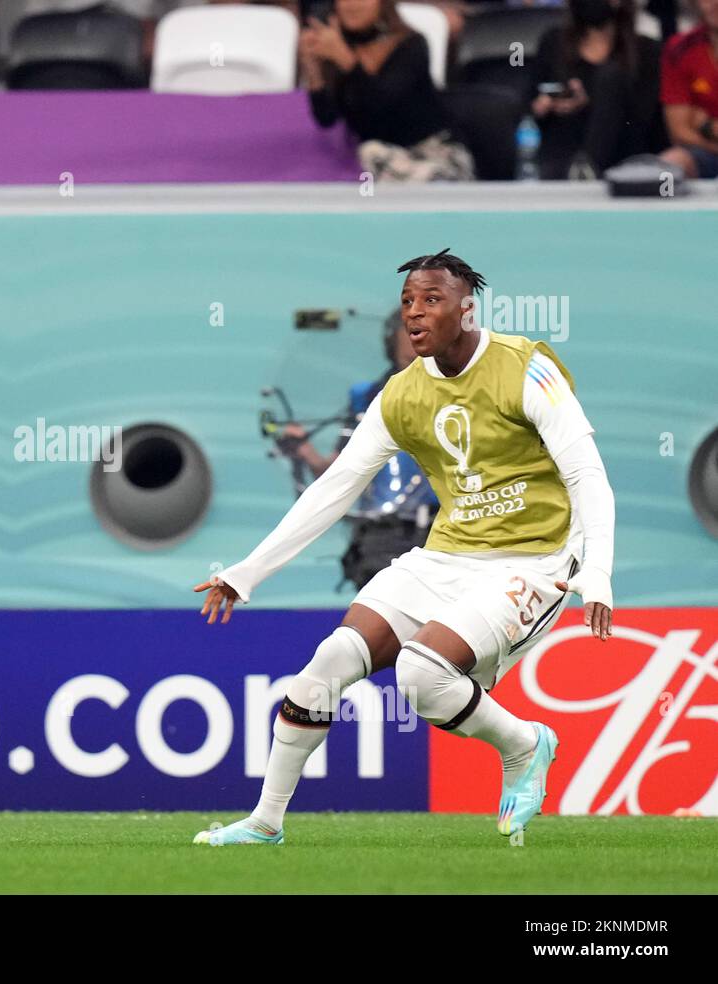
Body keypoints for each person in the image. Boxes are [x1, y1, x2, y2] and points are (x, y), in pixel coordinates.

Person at [192, 250, 615, 846]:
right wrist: (248, 571)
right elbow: (334, 488)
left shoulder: (526, 368)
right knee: (327, 665)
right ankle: (264, 824)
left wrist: (596, 570)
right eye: (408, 303)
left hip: (535, 560)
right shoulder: (400, 395)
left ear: (467, 311)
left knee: (421, 674)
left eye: (432, 300)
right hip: (445, 557)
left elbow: (586, 475)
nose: (415, 314)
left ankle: (523, 744)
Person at [275, 311, 438, 589]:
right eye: (408, 359)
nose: (416, 363)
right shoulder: (365, 396)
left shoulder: (456, 393)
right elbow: (340, 470)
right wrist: (304, 450)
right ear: (391, 346)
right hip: (379, 537)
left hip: (438, 533)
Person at [302, 0, 473, 181]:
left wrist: (345, 59)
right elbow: (327, 118)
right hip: (380, 160)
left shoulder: (411, 45)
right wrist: (313, 70)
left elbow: (382, 106)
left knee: (372, 155)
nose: (352, 4)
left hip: (434, 155)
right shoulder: (338, 47)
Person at [528, 0, 665, 180]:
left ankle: (587, 169)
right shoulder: (552, 42)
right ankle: (581, 171)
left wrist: (592, 102)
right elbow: (530, 102)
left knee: (612, 77)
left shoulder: (648, 51)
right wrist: (545, 104)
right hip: (561, 154)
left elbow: (646, 119)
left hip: (625, 157)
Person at [659, 0, 718, 178]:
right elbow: (679, 132)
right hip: (705, 153)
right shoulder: (680, 48)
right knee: (668, 166)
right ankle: (663, 204)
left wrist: (704, 124)